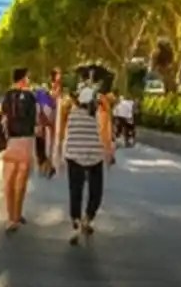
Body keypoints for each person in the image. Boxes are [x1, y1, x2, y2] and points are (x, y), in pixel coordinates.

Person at [55, 74, 114, 245]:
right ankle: (85, 219)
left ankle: (79, 222)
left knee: (77, 191)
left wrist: (58, 151)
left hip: (77, 155)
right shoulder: (97, 112)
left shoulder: (73, 110)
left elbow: (61, 131)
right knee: (94, 191)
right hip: (92, 156)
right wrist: (109, 153)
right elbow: (105, 133)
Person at [1, 68, 39, 233]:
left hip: (11, 141)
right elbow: (35, 121)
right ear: (23, 79)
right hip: (26, 141)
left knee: (9, 180)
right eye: (27, 78)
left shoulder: (7, 96)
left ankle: (10, 217)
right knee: (20, 182)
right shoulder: (30, 96)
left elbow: (3, 117)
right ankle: (17, 216)